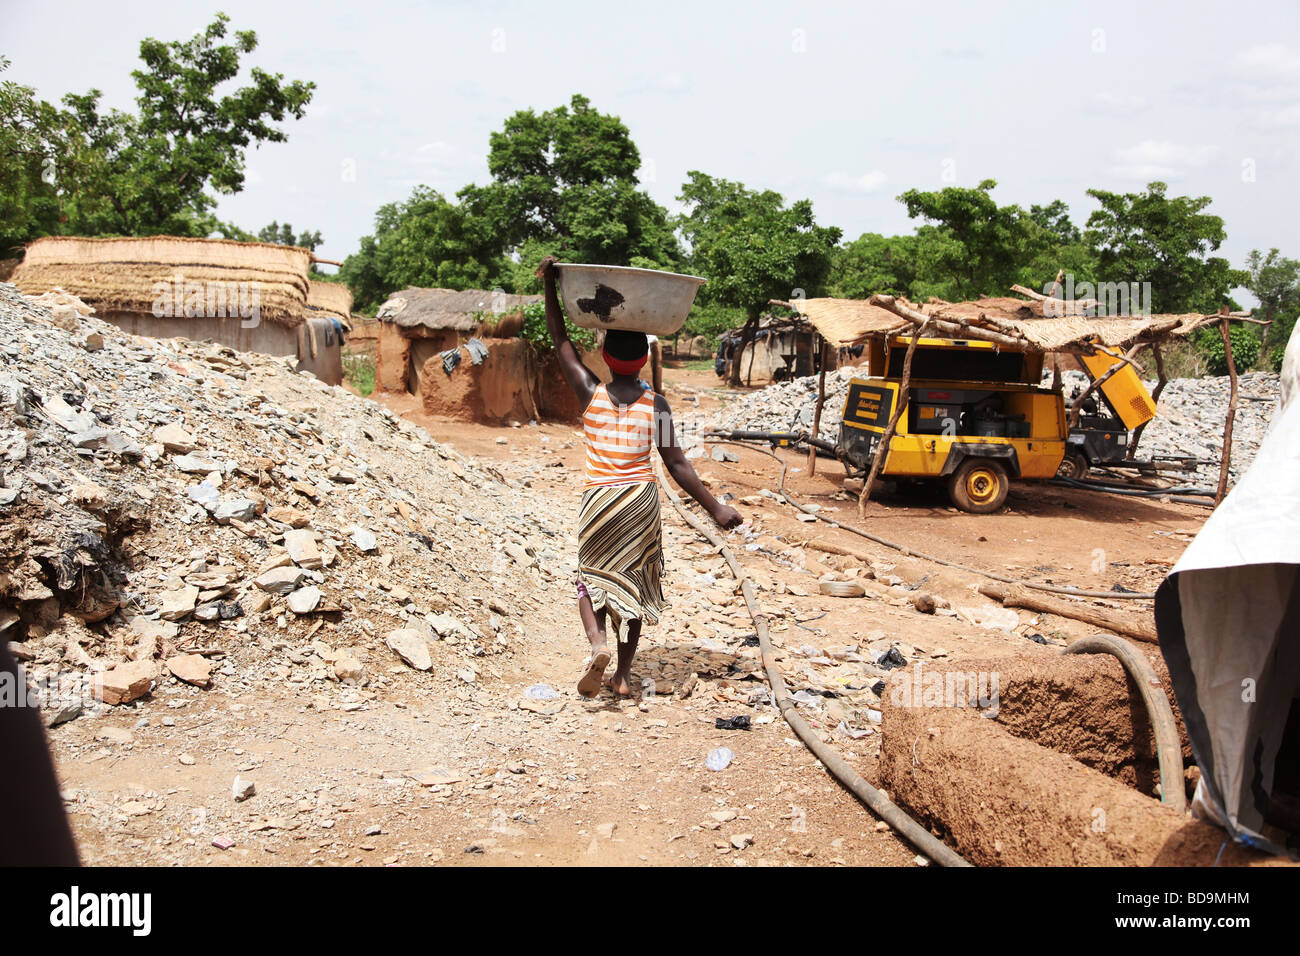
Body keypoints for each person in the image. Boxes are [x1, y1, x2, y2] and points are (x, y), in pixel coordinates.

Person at [536, 255, 742, 697]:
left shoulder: (589, 392)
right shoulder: (658, 405)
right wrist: (716, 508)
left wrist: (551, 285)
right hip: (640, 503)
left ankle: (596, 643)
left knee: (589, 578)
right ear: (645, 360)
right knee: (636, 585)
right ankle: (624, 677)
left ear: (606, 357)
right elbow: (678, 465)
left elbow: (560, 339)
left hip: (600, 501)